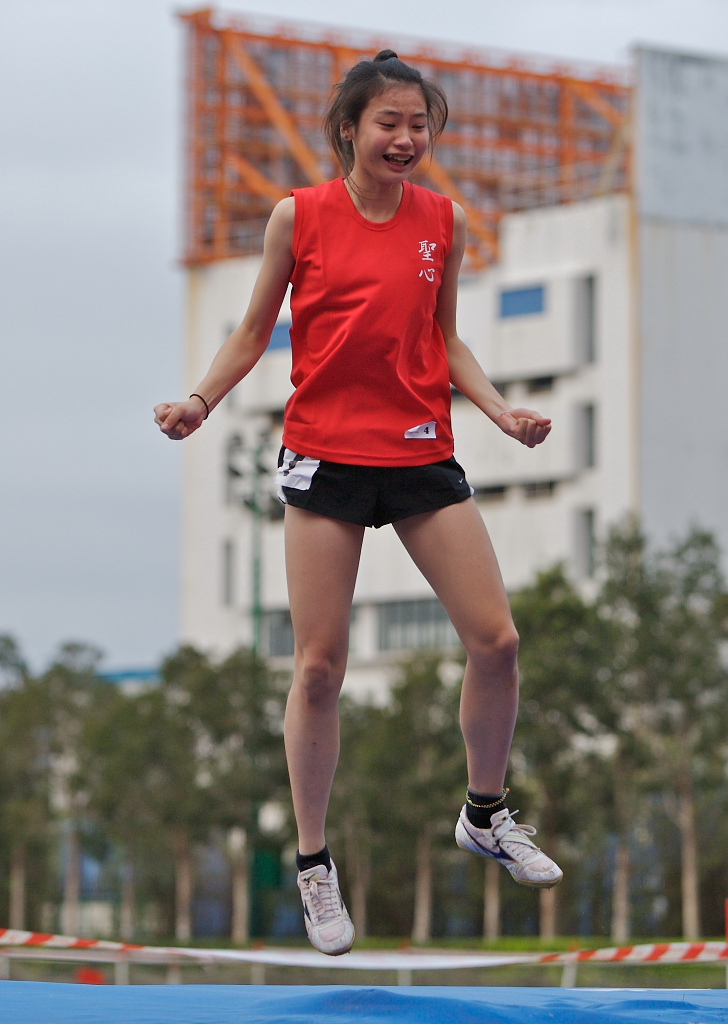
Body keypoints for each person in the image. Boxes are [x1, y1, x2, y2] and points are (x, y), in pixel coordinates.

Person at [155, 49, 562, 957]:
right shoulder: (297, 216)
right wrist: (198, 401)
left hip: (419, 452)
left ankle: (485, 814)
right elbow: (256, 329)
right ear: (348, 128)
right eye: (389, 123)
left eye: (420, 124)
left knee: (497, 641)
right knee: (319, 669)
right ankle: (312, 863)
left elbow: (444, 337)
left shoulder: (442, 222)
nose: (407, 139)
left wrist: (500, 412)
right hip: (325, 459)